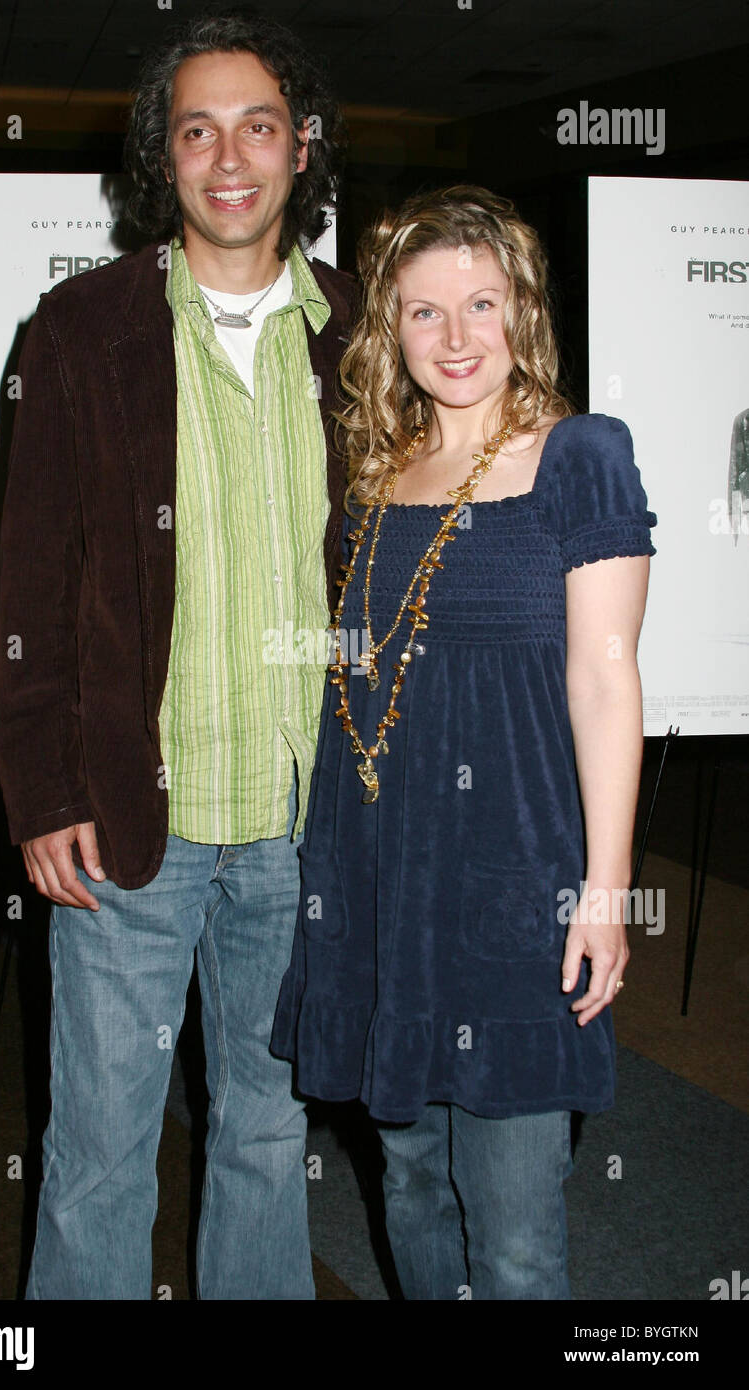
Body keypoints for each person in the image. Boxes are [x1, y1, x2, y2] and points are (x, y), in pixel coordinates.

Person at [0, 13, 355, 1300]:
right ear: (163, 155)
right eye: (194, 129)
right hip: (127, 820)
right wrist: (40, 792)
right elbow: (26, 579)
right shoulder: (81, 330)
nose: (228, 157)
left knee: (265, 1131)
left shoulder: (360, 336)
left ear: (300, 146)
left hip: (303, 820)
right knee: (98, 1151)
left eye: (257, 124)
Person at [271, 184, 657, 1300]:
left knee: (514, 1215)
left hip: (514, 867)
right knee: (404, 1179)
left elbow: (604, 676)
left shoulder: (580, 455)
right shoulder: (372, 476)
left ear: (520, 314)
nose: (453, 337)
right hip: (381, 863)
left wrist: (606, 886)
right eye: (423, 311)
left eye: (479, 305)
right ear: (387, 327)